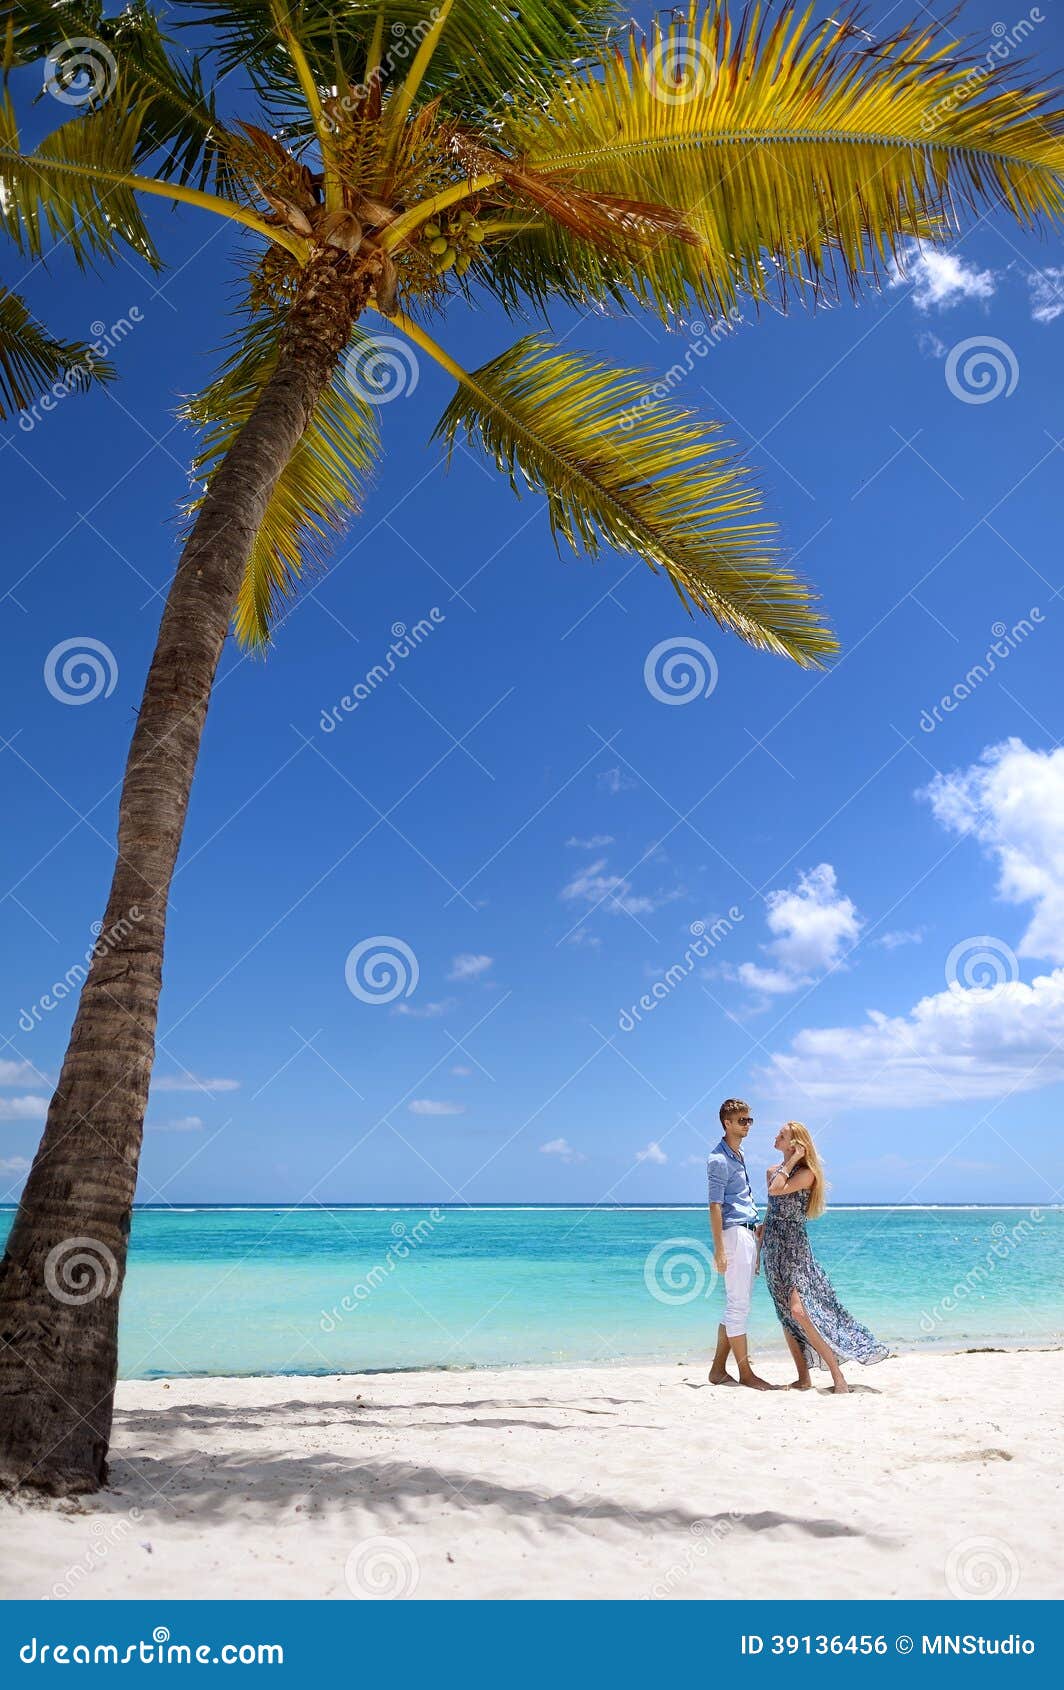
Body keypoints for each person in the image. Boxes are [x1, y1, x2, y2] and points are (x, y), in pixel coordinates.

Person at [761, 1121, 889, 1393]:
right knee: (785, 1315)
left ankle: (837, 1376)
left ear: (794, 1144)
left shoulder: (807, 1174)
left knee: (800, 1311)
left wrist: (795, 1158)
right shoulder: (771, 1171)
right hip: (773, 1247)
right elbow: (771, 1208)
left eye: (781, 1135)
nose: (775, 1137)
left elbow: (776, 1190)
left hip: (795, 1248)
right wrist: (759, 1243)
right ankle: (803, 1378)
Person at [706, 1099, 774, 1390]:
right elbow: (715, 1206)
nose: (747, 1124)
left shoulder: (738, 1154)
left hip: (746, 1232)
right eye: (742, 1120)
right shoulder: (718, 1159)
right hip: (733, 1234)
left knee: (736, 1305)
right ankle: (746, 1373)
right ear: (727, 1124)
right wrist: (719, 1248)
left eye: (749, 1120)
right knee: (738, 1306)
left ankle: (718, 1371)